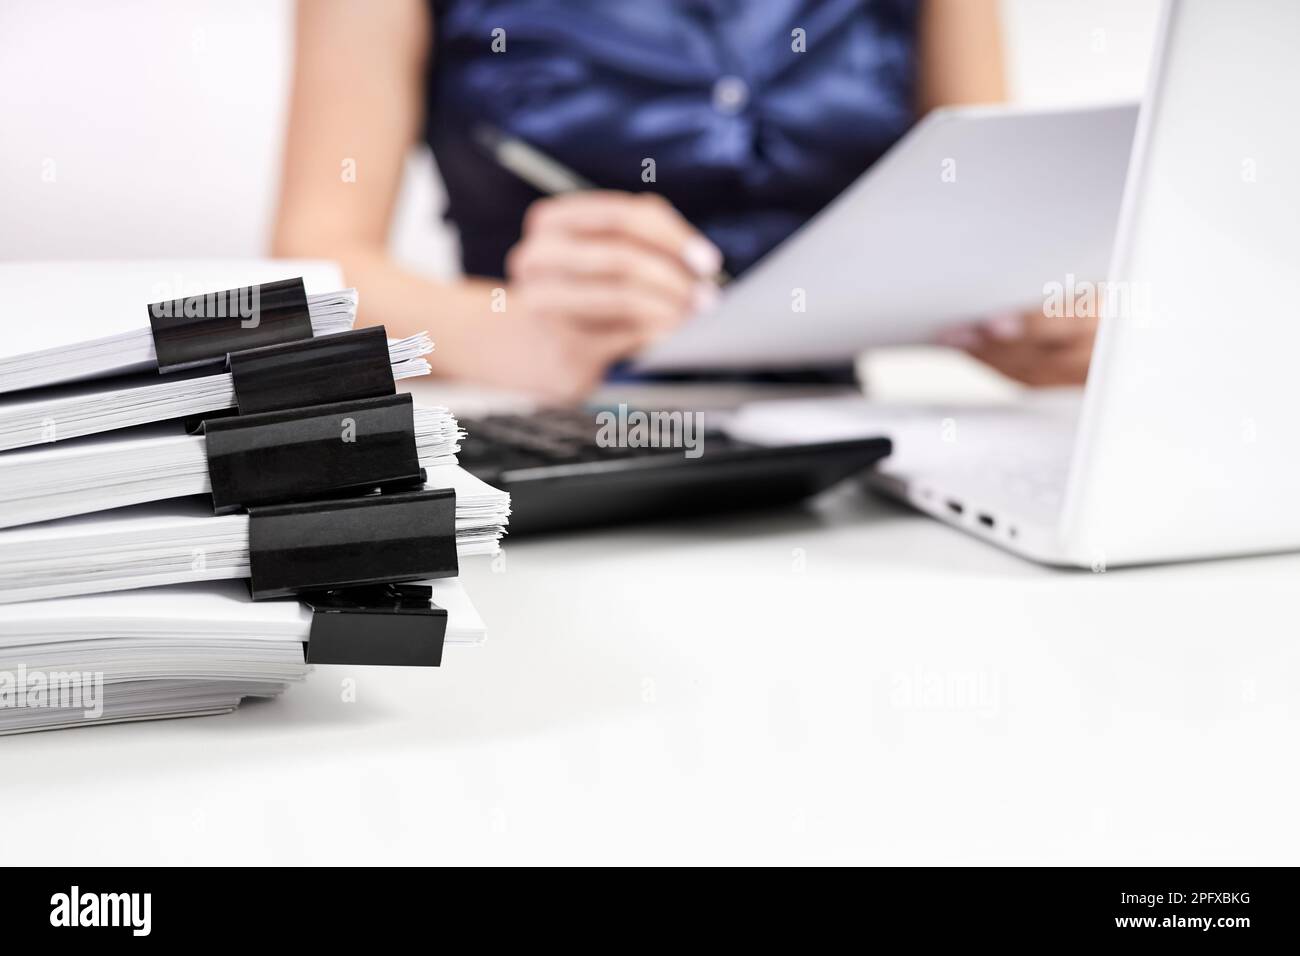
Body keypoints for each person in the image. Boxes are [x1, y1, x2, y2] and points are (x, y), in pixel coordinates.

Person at [273, 0, 1097, 399]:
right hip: (549, 442)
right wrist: (502, 329)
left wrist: (1022, 318)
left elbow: (985, 208)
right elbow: (313, 265)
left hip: (848, 469)